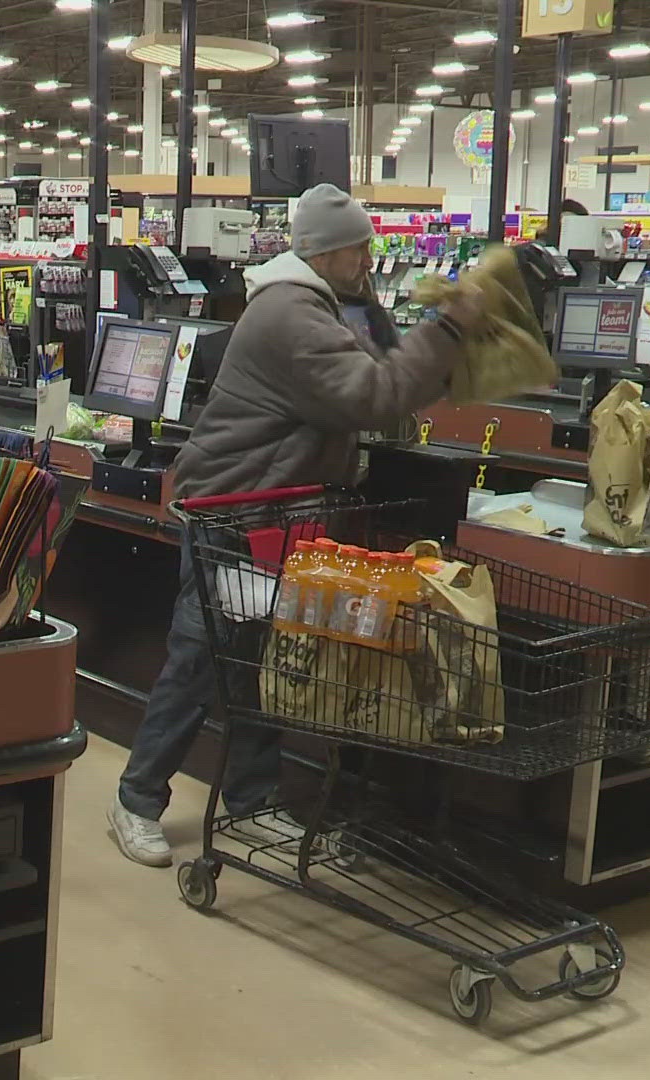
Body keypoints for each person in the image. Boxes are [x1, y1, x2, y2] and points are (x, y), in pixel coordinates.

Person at [106, 183, 485, 868]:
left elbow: (386, 381)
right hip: (235, 513)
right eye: (360, 245)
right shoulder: (289, 312)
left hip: (276, 514)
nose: (370, 256)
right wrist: (450, 329)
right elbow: (370, 396)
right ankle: (136, 799)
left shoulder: (328, 304)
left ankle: (251, 801)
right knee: (202, 659)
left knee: (258, 663)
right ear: (325, 249)